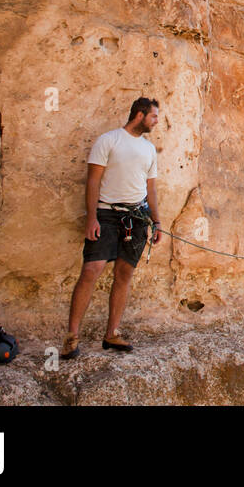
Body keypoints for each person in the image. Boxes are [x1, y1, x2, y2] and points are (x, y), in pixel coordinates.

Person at [61, 97, 164, 359]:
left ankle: (112, 333)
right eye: (153, 116)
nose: (156, 121)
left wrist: (157, 221)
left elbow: (150, 188)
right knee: (91, 269)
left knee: (124, 273)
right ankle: (71, 337)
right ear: (140, 115)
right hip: (107, 214)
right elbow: (93, 181)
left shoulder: (149, 149)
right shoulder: (108, 140)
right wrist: (91, 218)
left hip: (137, 218)